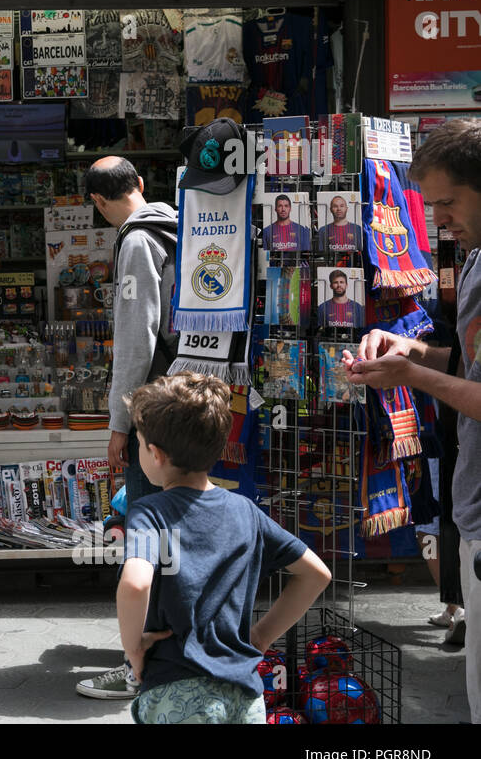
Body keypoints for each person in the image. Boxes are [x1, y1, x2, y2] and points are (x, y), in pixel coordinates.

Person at [344, 118, 481, 722]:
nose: (438, 220)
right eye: (431, 206)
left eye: (447, 202)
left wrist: (413, 377)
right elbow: (469, 363)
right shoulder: (475, 258)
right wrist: (410, 349)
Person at [119, 373, 332, 723]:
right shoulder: (245, 511)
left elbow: (135, 584)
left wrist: (134, 649)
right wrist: (262, 635)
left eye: (139, 443)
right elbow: (316, 574)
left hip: (177, 691)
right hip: (245, 694)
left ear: (155, 454)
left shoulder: (148, 513)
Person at [77, 155, 178, 700]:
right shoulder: (181, 222)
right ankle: (169, 647)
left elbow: (137, 340)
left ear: (98, 201)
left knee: (145, 534)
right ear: (142, 183)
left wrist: (120, 421)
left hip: (155, 405)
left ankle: (140, 664)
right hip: (188, 396)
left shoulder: (137, 242)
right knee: (172, 532)